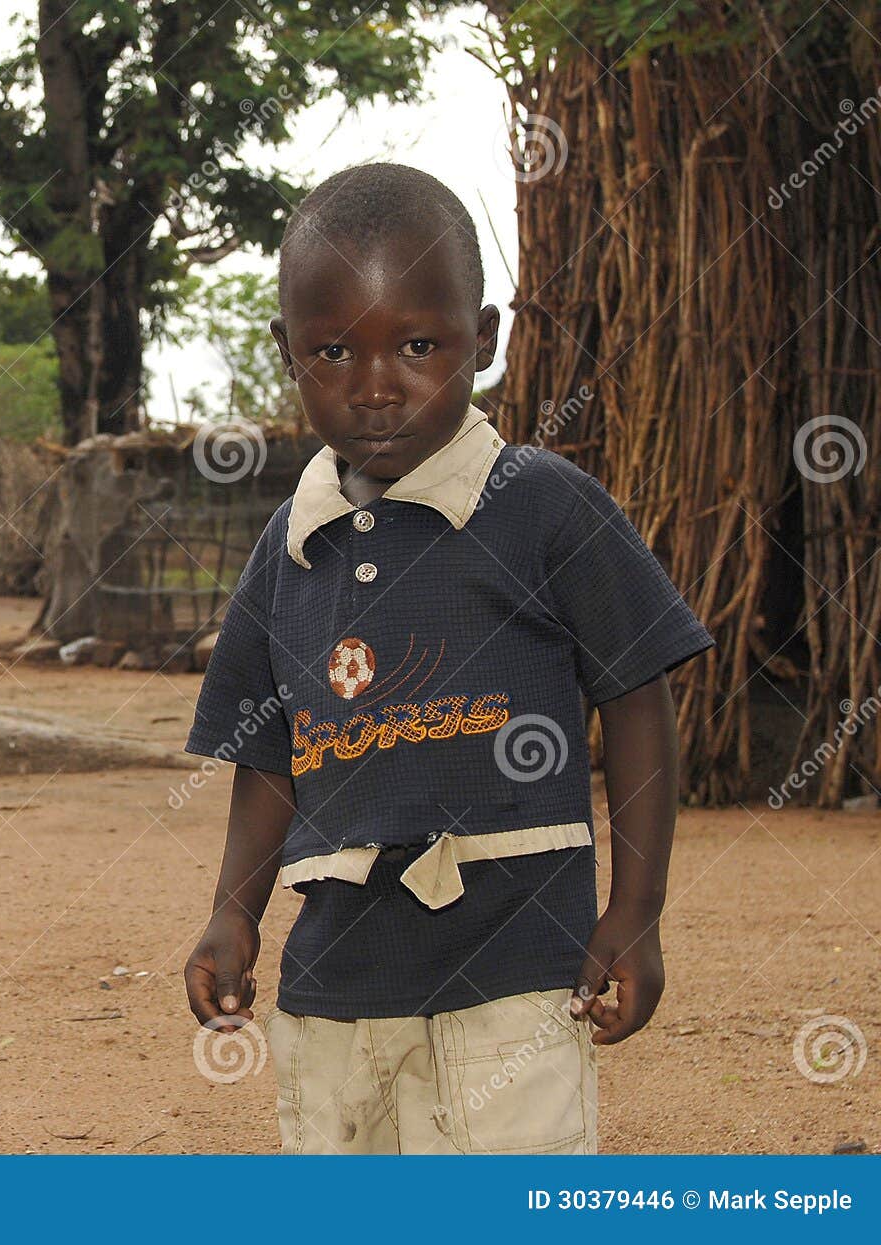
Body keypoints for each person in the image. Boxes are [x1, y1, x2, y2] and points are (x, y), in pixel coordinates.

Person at [181, 162, 716, 1154]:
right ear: (285, 355)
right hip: (336, 987)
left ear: (485, 339)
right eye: (331, 351)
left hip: (517, 974)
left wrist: (635, 911)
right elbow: (266, 756)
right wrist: (232, 915)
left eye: (419, 345)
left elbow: (636, 699)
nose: (376, 386)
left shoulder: (546, 508)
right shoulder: (289, 547)